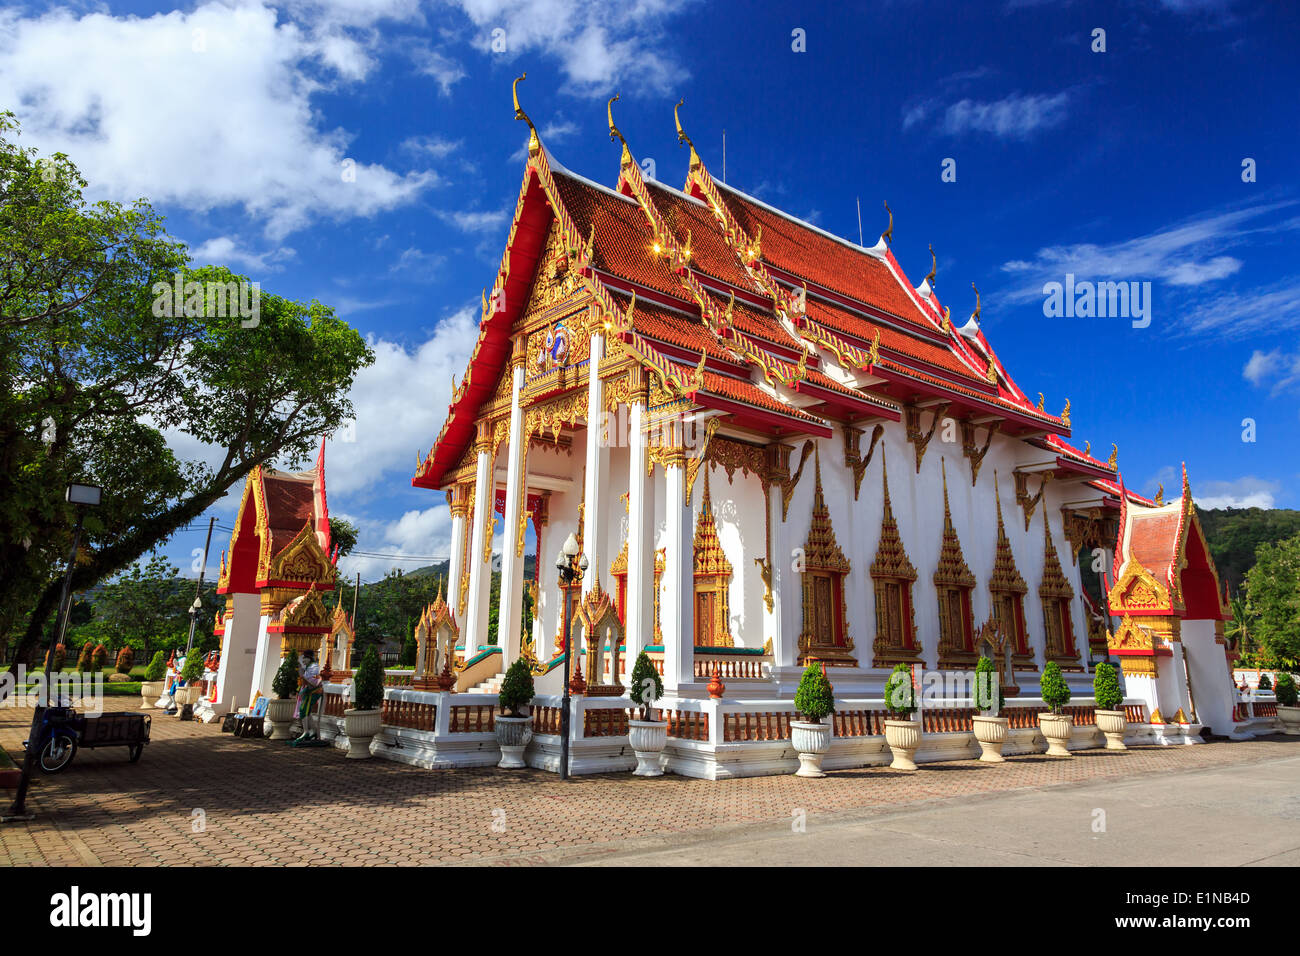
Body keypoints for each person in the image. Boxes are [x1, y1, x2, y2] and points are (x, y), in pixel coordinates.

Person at [293, 649, 323, 742]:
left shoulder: (314, 667)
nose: (303, 660)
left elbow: (315, 682)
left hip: (312, 692)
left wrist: (303, 675)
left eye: (305, 658)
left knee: (303, 710)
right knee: (307, 711)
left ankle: (306, 732)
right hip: (307, 691)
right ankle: (313, 731)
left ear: (309, 658)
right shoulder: (308, 667)